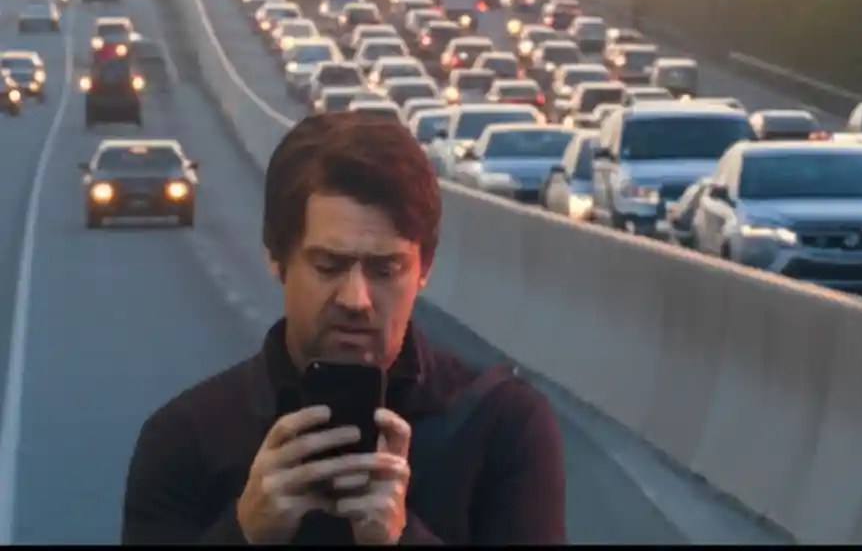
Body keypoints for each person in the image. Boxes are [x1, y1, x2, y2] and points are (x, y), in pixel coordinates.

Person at [121, 112, 567, 544]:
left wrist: (400, 537)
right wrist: (245, 532)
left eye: (385, 269)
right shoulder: (186, 439)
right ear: (277, 257)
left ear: (424, 267)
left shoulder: (502, 427)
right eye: (328, 265)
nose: (356, 299)